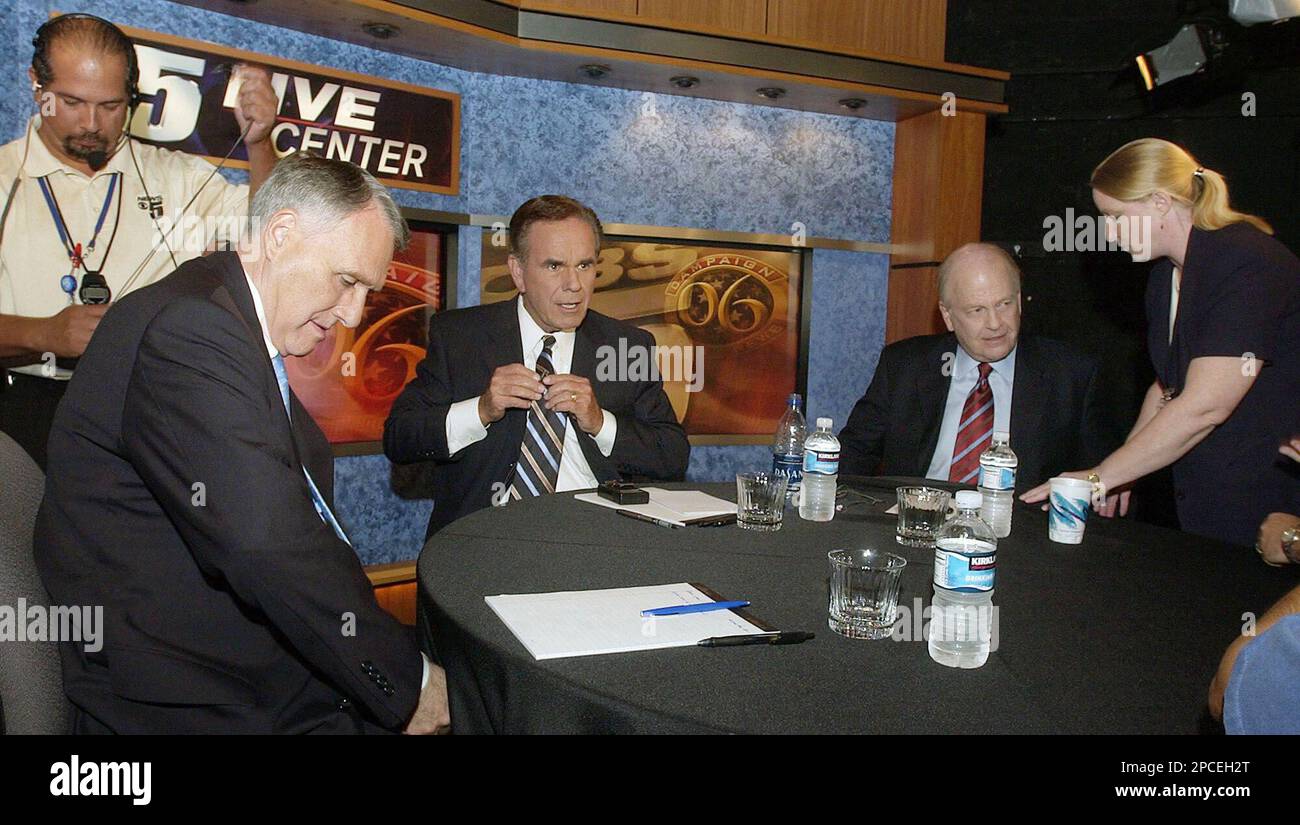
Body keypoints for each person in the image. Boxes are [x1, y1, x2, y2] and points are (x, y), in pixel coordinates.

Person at [34, 153, 448, 734]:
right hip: (197, 695)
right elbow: (267, 546)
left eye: (367, 291)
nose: (352, 312)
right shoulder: (191, 330)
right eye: (347, 280)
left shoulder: (220, 314)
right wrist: (412, 688)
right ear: (280, 234)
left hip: (234, 657)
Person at [0, 13, 279, 467]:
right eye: (72, 102)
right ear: (37, 86)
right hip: (23, 413)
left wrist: (261, 145)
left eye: (111, 106)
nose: (92, 123)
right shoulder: (5, 178)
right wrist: (44, 332)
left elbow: (267, 233)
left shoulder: (175, 177)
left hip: (149, 407)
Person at [1023, 139, 1300, 546]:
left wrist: (1102, 477)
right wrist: (1123, 469)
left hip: (1271, 508)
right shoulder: (1164, 278)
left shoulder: (1248, 263)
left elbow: (1206, 405)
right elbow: (1168, 389)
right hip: (1207, 506)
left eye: (1115, 216)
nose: (1109, 233)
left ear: (1159, 201)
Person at [384, 194, 690, 537]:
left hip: (597, 539)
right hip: (484, 539)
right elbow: (400, 438)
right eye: (554, 266)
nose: (574, 284)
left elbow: (672, 455)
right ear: (518, 272)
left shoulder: (625, 345)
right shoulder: (460, 337)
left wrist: (599, 421)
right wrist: (481, 409)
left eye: (585, 265)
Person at [838, 242, 1112, 490]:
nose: (995, 323)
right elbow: (854, 453)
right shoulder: (904, 366)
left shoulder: (1071, 374)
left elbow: (1102, 475)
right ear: (948, 315)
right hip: (917, 523)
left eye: (1004, 304)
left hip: (1021, 532)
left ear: (1019, 301)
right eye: (977, 310)